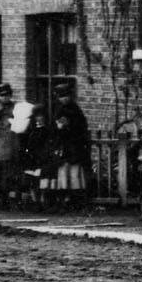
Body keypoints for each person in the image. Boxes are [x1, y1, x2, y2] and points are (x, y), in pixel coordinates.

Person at [48, 80, 94, 209]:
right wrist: (59, 129)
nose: (64, 99)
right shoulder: (57, 109)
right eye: (61, 96)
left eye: (66, 96)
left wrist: (69, 127)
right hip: (63, 145)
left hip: (74, 144)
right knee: (63, 171)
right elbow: (54, 128)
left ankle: (75, 198)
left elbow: (81, 126)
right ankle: (64, 197)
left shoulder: (75, 109)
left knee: (75, 171)